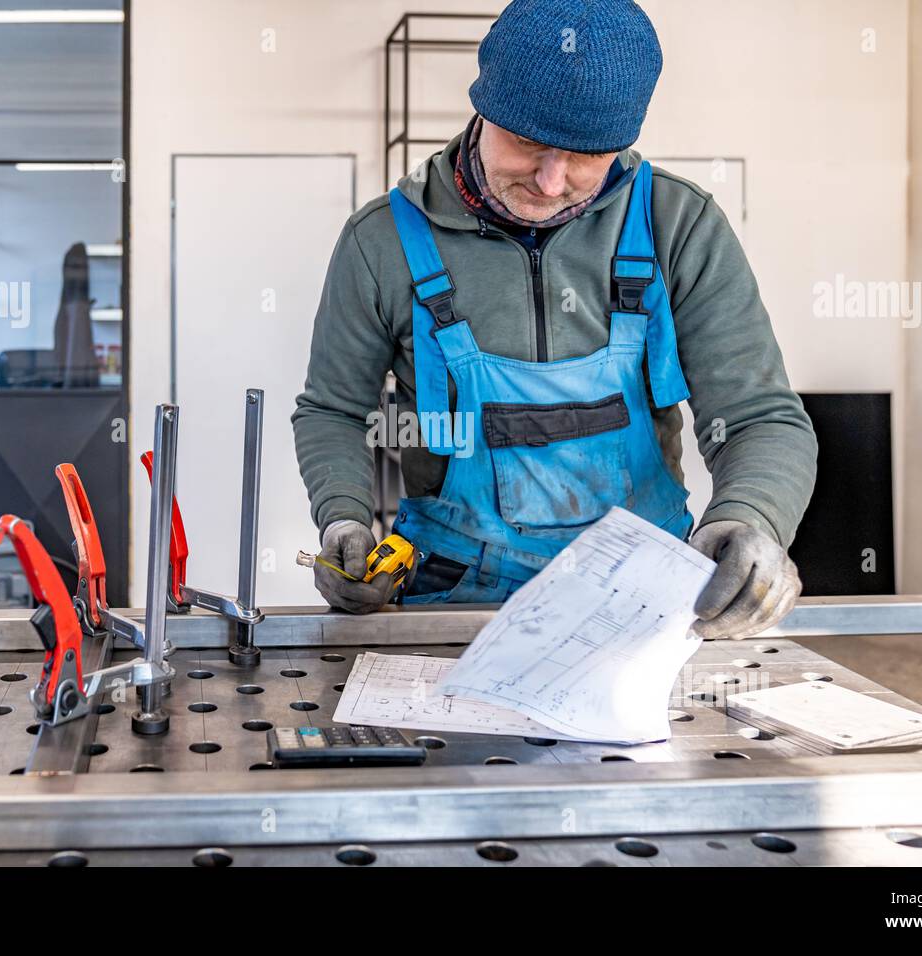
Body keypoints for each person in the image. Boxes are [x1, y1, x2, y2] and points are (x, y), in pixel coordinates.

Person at [293, 0, 816, 639]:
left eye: (586, 156)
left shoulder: (680, 226)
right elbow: (334, 411)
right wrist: (343, 517)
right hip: (452, 598)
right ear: (483, 110)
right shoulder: (382, 241)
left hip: (645, 597)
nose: (550, 181)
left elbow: (760, 417)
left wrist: (748, 517)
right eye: (528, 144)